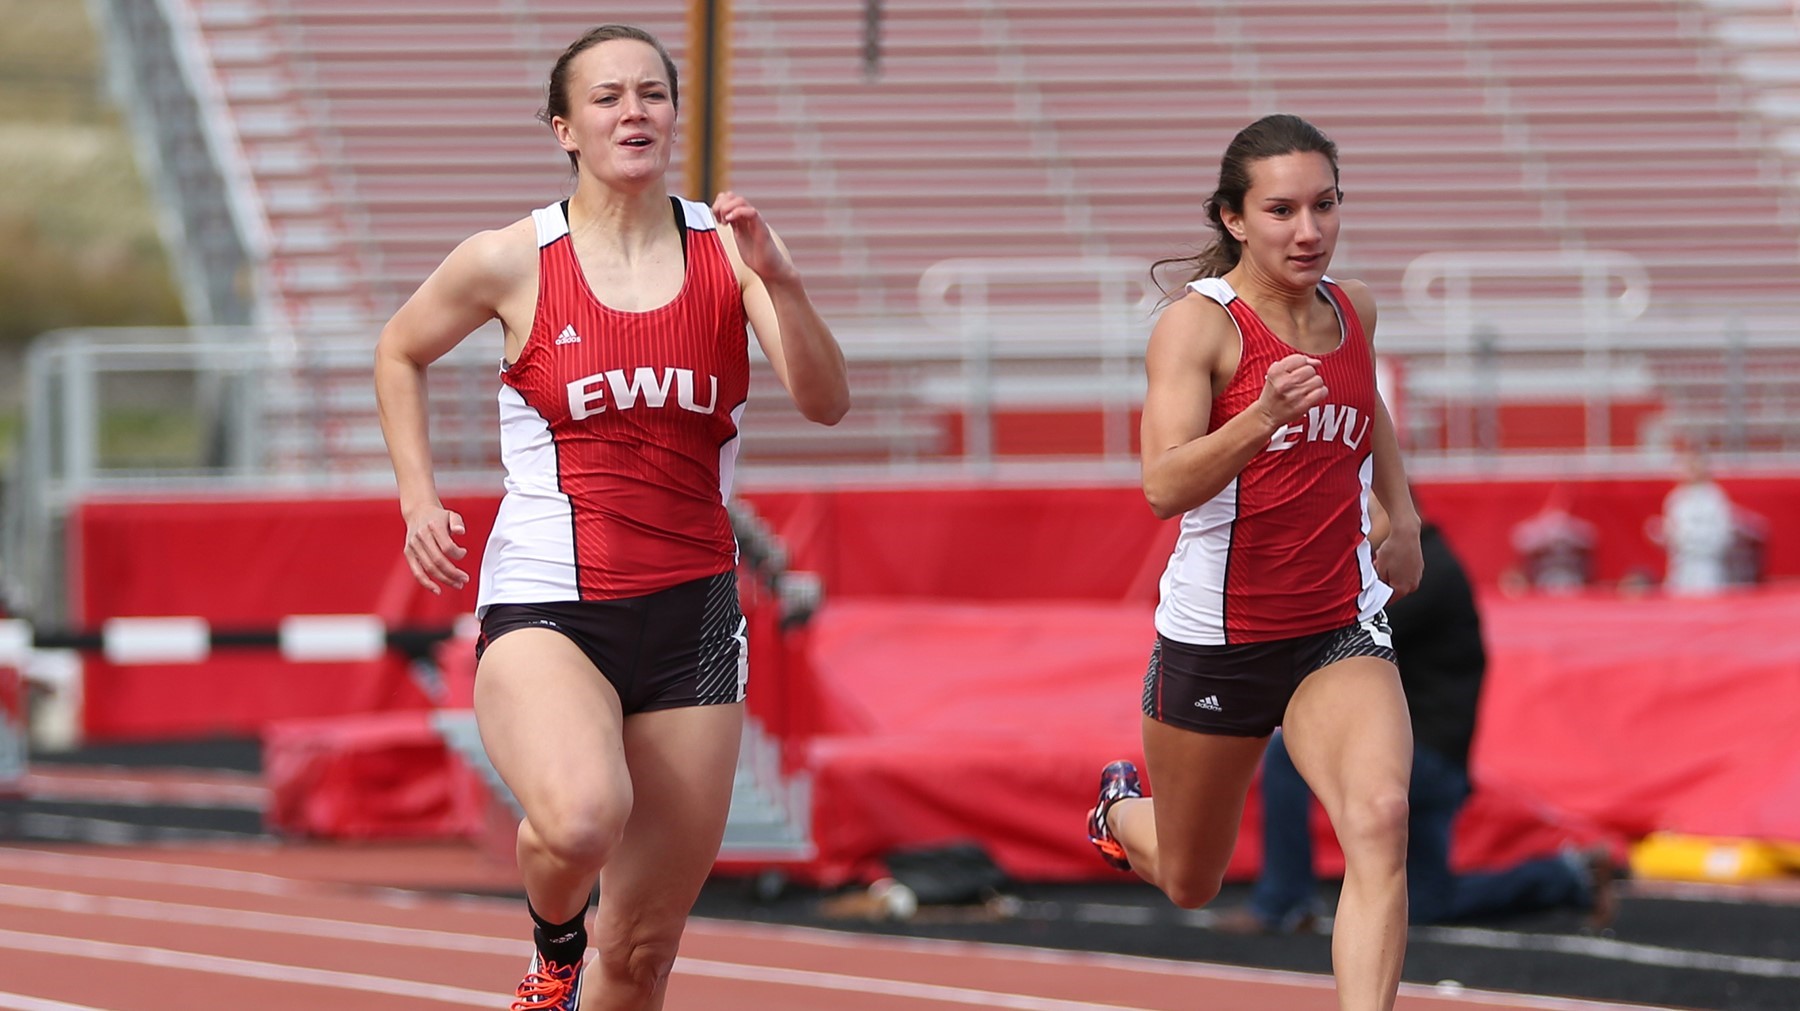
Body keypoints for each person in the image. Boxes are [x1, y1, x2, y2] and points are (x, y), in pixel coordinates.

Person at [373, 24, 849, 1011]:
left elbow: (824, 399)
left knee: (639, 956)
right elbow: (400, 350)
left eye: (651, 93)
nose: (633, 110)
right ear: (565, 129)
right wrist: (418, 497)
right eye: (607, 97)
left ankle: (587, 966)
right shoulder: (511, 259)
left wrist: (787, 282)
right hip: (552, 607)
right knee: (585, 817)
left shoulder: (731, 253)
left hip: (694, 622)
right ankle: (552, 949)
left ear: (674, 116)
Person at [1085, 114, 1422, 1011]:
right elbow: (1163, 486)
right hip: (1219, 636)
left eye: (1325, 205)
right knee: (1194, 877)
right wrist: (1260, 416)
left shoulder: (1354, 308)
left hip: (1336, 624)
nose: (1307, 230)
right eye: (1281, 210)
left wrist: (1404, 508)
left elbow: (1367, 402)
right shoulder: (1198, 330)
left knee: (1382, 818)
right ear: (1235, 219)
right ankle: (1119, 810)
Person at [1221, 502, 1617, 935]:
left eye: (1362, 513)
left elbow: (1341, 640)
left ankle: (1283, 900)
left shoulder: (1420, 573)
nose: (1355, 528)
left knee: (1287, 755)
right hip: (1431, 756)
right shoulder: (1425, 564)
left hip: (1421, 755)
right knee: (1427, 900)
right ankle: (1568, 878)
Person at [1655, 449, 1737, 596]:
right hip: (1681, 569)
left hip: (1708, 570)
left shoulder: (1715, 498)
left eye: (1694, 465)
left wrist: (1687, 538)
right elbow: (1672, 535)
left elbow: (1722, 537)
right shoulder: (1675, 499)